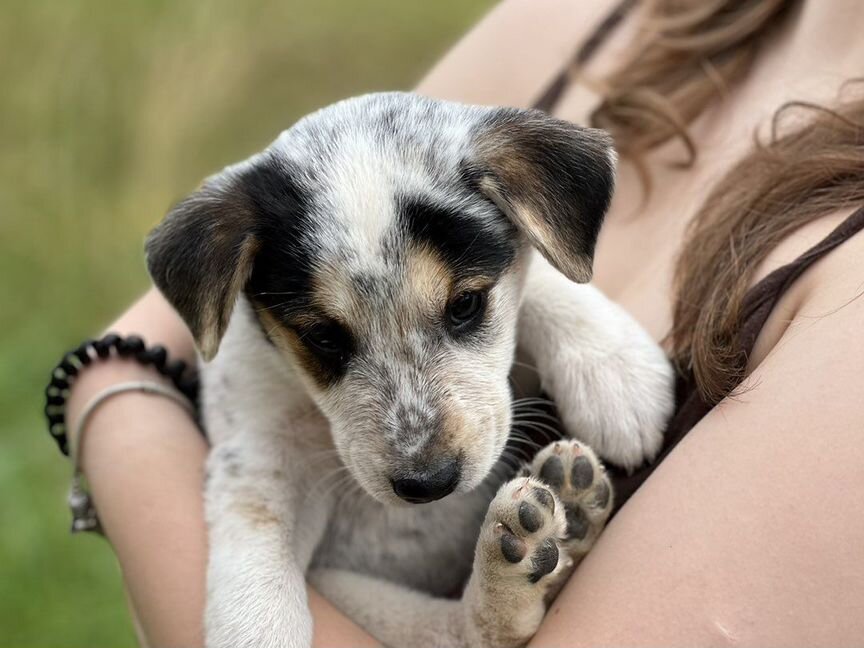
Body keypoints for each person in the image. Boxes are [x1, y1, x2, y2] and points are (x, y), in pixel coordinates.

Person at [64, 0, 864, 645]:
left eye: (463, 307)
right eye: (328, 339)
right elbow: (129, 362)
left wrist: (558, 307)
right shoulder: (578, 20)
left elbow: (123, 376)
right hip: (351, 582)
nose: (416, 443)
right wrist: (107, 402)